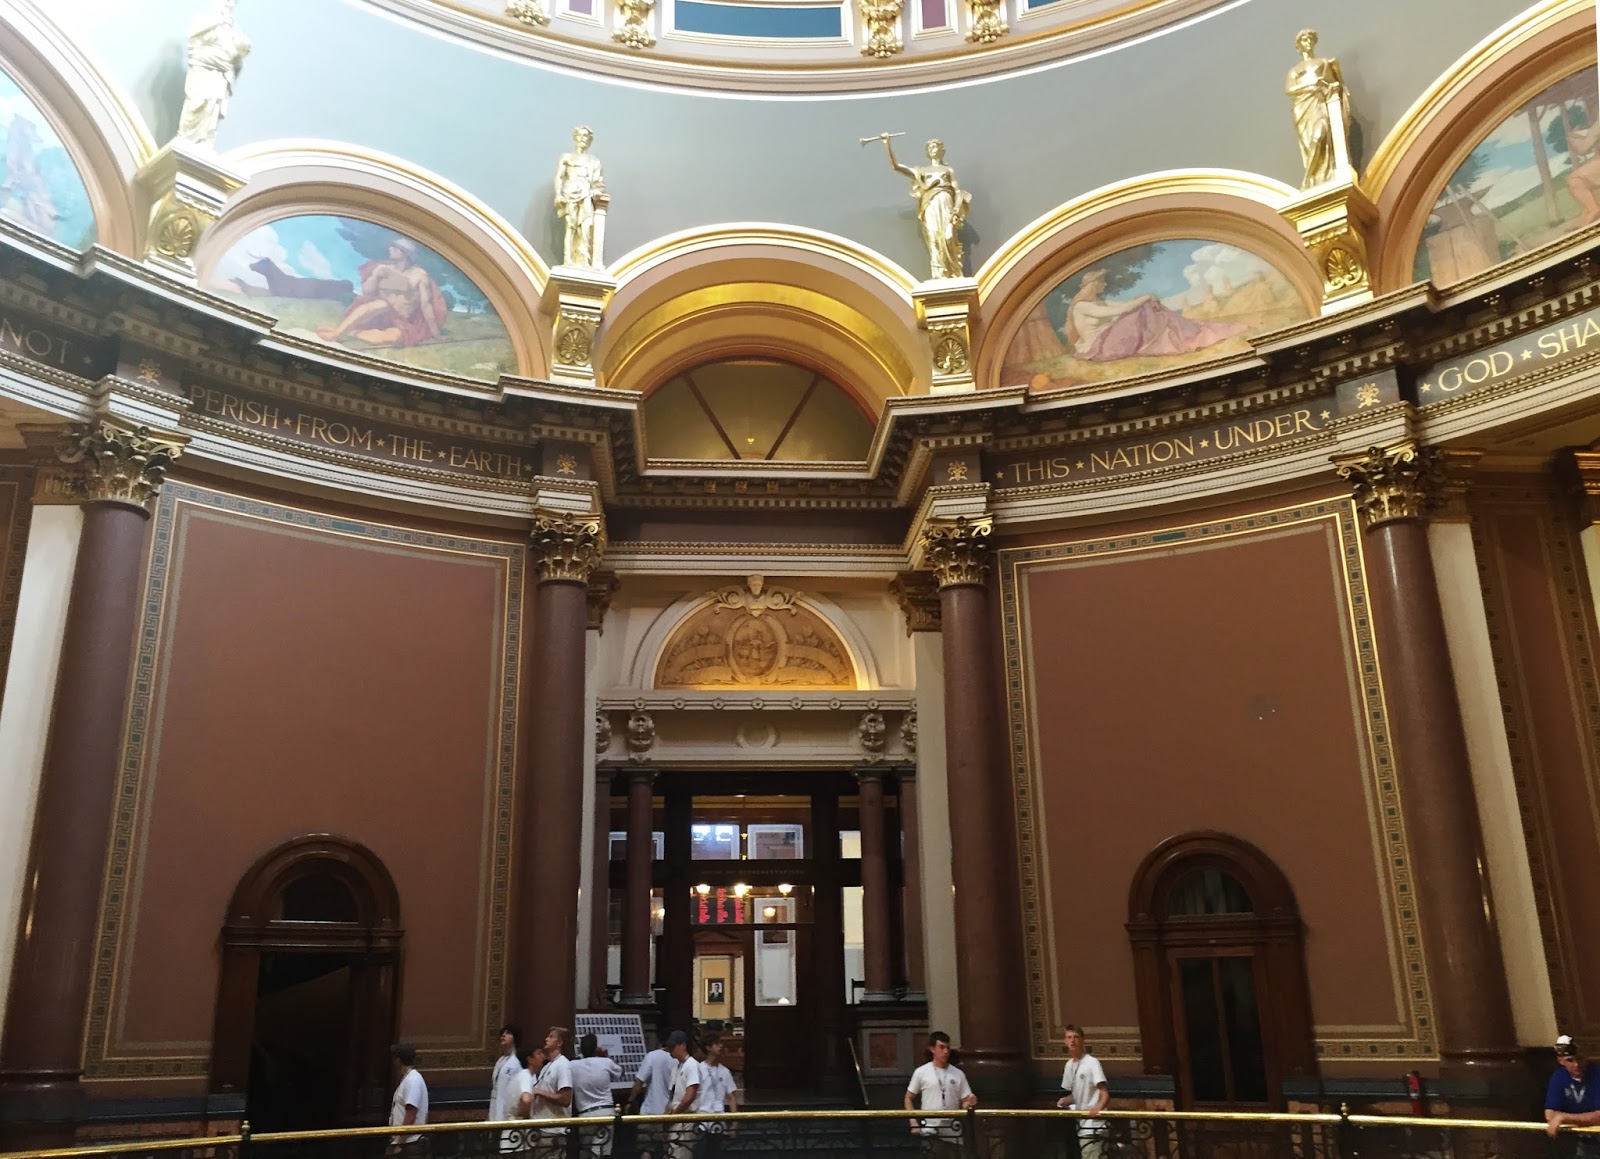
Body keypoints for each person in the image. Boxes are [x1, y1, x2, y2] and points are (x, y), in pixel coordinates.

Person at [1063, 268, 1245, 363]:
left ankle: (1183, 333)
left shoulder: (1098, 302)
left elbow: (1123, 305)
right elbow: (1117, 311)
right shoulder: (1082, 307)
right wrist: (1145, 299)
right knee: (1141, 308)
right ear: (1093, 284)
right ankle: (1183, 335)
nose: (1103, 286)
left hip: (1109, 342)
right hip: (1099, 347)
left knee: (1142, 305)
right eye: (1101, 283)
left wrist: (1143, 298)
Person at [317, 238, 447, 349]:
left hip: (401, 320)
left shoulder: (419, 275)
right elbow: (367, 292)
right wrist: (375, 275)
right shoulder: (383, 269)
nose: (390, 249)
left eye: (394, 248)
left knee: (393, 337)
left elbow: (426, 305)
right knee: (382, 304)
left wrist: (436, 334)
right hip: (377, 316)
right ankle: (337, 334)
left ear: (405, 253)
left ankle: (352, 332)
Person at [872, 136, 972, 281]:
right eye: (930, 147)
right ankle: (939, 274)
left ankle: (953, 271)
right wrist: (887, 144)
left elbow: (957, 191)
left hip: (945, 202)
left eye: (935, 146)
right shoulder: (922, 171)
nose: (933, 149)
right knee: (933, 236)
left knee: (948, 237)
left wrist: (956, 209)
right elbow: (896, 166)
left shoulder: (948, 170)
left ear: (942, 150)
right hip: (929, 204)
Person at [176, 0, 250, 147]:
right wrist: (216, 21)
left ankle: (203, 139)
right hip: (204, 68)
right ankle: (189, 137)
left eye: (233, 2)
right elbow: (192, 34)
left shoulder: (232, 29)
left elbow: (236, 57)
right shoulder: (206, 19)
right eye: (228, 0)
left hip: (220, 73)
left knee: (213, 106)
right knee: (199, 101)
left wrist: (240, 53)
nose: (230, 4)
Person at [1285, 28, 1351, 189]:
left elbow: (1334, 85)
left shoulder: (1323, 63)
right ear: (1298, 46)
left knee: (1319, 136)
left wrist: (1334, 80)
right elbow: (1289, 90)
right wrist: (1311, 85)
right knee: (1309, 143)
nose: (1307, 43)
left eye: (1310, 39)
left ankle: (1308, 178)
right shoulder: (1294, 70)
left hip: (1320, 106)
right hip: (1302, 109)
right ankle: (1315, 179)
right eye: (1304, 40)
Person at [904, 1030, 976, 1156]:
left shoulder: (958, 1074)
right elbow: (908, 1098)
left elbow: (965, 1101)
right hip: (931, 1131)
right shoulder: (921, 1072)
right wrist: (913, 1121)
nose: (945, 1052)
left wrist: (969, 1103)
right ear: (932, 1049)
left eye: (947, 1048)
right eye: (941, 1047)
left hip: (953, 1131)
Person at [554, 126, 607, 268]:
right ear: (575, 137)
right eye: (581, 135)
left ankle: (583, 258)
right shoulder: (567, 157)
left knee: (585, 227)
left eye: (586, 137)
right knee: (571, 226)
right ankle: (568, 259)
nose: (583, 139)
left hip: (585, 194)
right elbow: (559, 177)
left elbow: (598, 183)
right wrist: (558, 194)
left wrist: (596, 191)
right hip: (570, 192)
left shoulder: (594, 161)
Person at [1056, 1024, 1110, 1159]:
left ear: (1082, 1040)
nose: (1072, 1041)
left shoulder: (1092, 1063)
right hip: (1080, 1125)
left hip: (1094, 1126)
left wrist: (1097, 1109)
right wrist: (1064, 1100)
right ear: (1065, 1041)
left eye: (1076, 1037)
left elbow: (1104, 1093)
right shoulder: (1069, 1065)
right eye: (1069, 1037)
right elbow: (1075, 1095)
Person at [1546, 1034, 1600, 1156]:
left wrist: (1563, 1117)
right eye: (1570, 1060)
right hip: (1586, 1141)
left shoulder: (1597, 1074)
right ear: (1561, 1061)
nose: (1576, 1064)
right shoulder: (1558, 1077)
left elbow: (1599, 1117)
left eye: (1579, 1058)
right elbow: (1550, 1114)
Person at [570, 1033, 623, 1157]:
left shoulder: (573, 1065)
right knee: (601, 1151)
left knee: (585, 1151)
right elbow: (620, 1072)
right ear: (596, 1048)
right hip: (605, 1112)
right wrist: (605, 1056)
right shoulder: (606, 1062)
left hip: (585, 1113)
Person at [527, 1026, 574, 1157]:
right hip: (541, 1127)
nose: (546, 1039)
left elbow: (565, 1099)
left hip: (554, 1130)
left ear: (559, 1043)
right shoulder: (548, 1065)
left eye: (551, 1037)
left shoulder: (563, 1065)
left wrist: (539, 1092)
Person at [630, 1035, 677, 1158]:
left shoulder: (652, 1056)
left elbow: (639, 1082)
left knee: (646, 1149)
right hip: (669, 1113)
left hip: (649, 1111)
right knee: (668, 1150)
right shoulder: (678, 1059)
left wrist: (631, 1101)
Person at [694, 1033, 739, 1156]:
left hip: (718, 1117)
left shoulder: (724, 1071)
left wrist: (734, 1122)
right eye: (717, 1044)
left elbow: (731, 1097)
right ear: (708, 1047)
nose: (720, 1046)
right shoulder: (698, 1069)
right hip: (701, 1116)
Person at [663, 1030, 702, 1159]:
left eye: (673, 1047)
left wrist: (675, 1114)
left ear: (683, 1045)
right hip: (676, 1116)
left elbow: (690, 1095)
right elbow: (673, 1094)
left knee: (680, 1154)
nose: (671, 1051)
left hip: (685, 1117)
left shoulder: (692, 1065)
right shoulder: (677, 1067)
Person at [388, 1043, 429, 1157]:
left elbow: (411, 1113)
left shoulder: (413, 1080)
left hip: (409, 1143)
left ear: (398, 1060)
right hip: (406, 1142)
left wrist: (400, 1143)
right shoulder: (409, 1079)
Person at [489, 1024, 524, 1123]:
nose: (503, 1035)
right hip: (495, 1107)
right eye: (502, 1033)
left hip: (508, 1110)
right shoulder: (500, 1061)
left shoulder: (517, 1061)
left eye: (508, 1033)